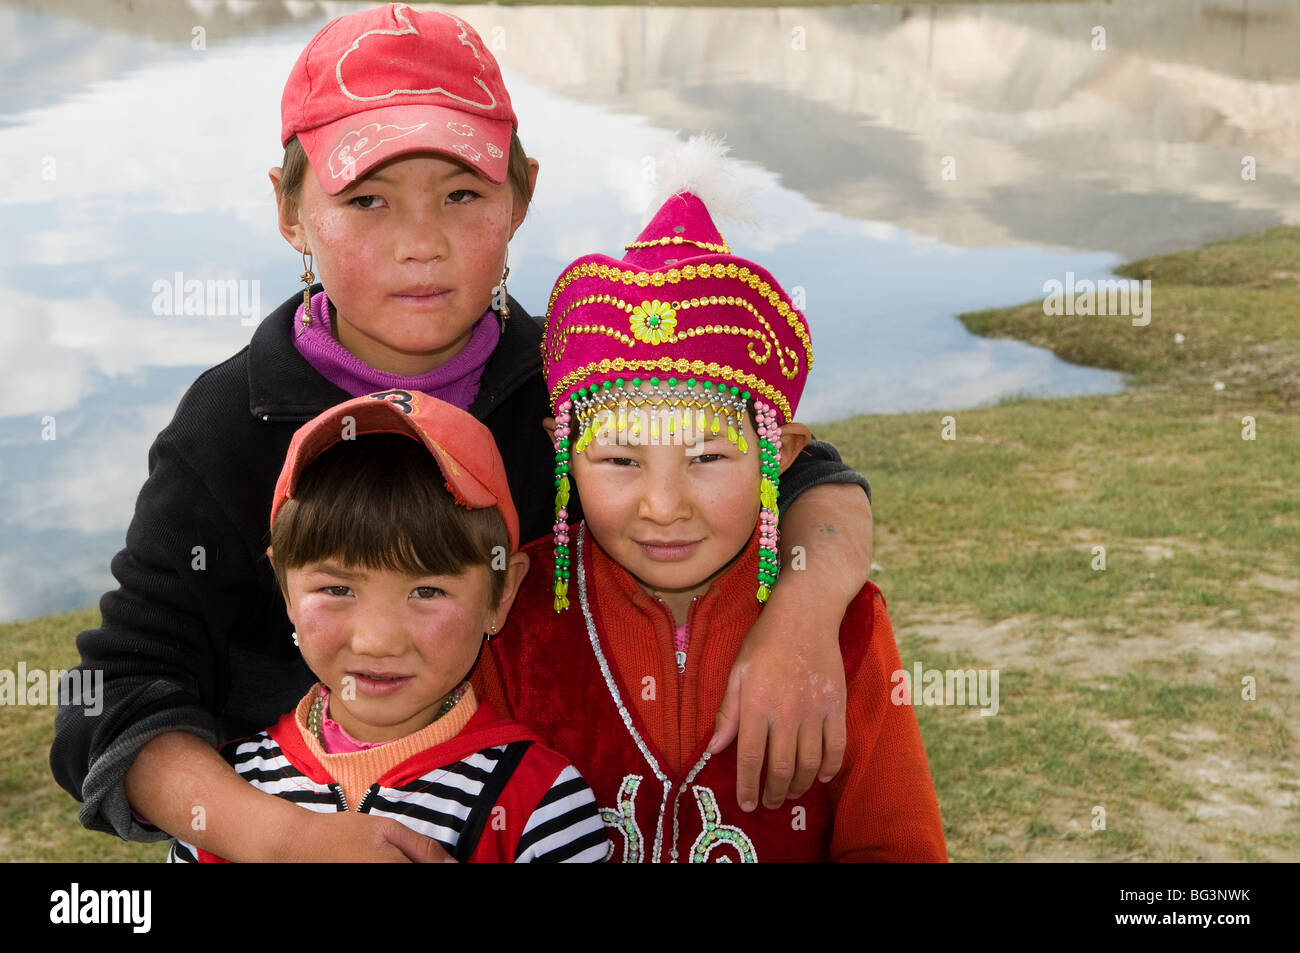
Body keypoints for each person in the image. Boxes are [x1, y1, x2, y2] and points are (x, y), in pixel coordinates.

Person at [51, 3, 875, 862]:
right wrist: (278, 833)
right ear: (290, 209)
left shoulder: (578, 377)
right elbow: (116, 692)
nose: (422, 244)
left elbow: (809, 476)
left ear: (521, 196)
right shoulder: (223, 427)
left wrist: (805, 615)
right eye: (366, 199)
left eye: (462, 193)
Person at [473, 189, 947, 861]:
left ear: (778, 455)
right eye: (617, 458)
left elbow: (897, 846)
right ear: (563, 449)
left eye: (707, 457)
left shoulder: (849, 630)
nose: (663, 505)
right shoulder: (509, 617)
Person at [167, 391, 611, 862]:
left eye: (427, 592)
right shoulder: (230, 792)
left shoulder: (539, 801)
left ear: (500, 595)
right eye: (337, 590)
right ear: (285, 588)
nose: (377, 641)